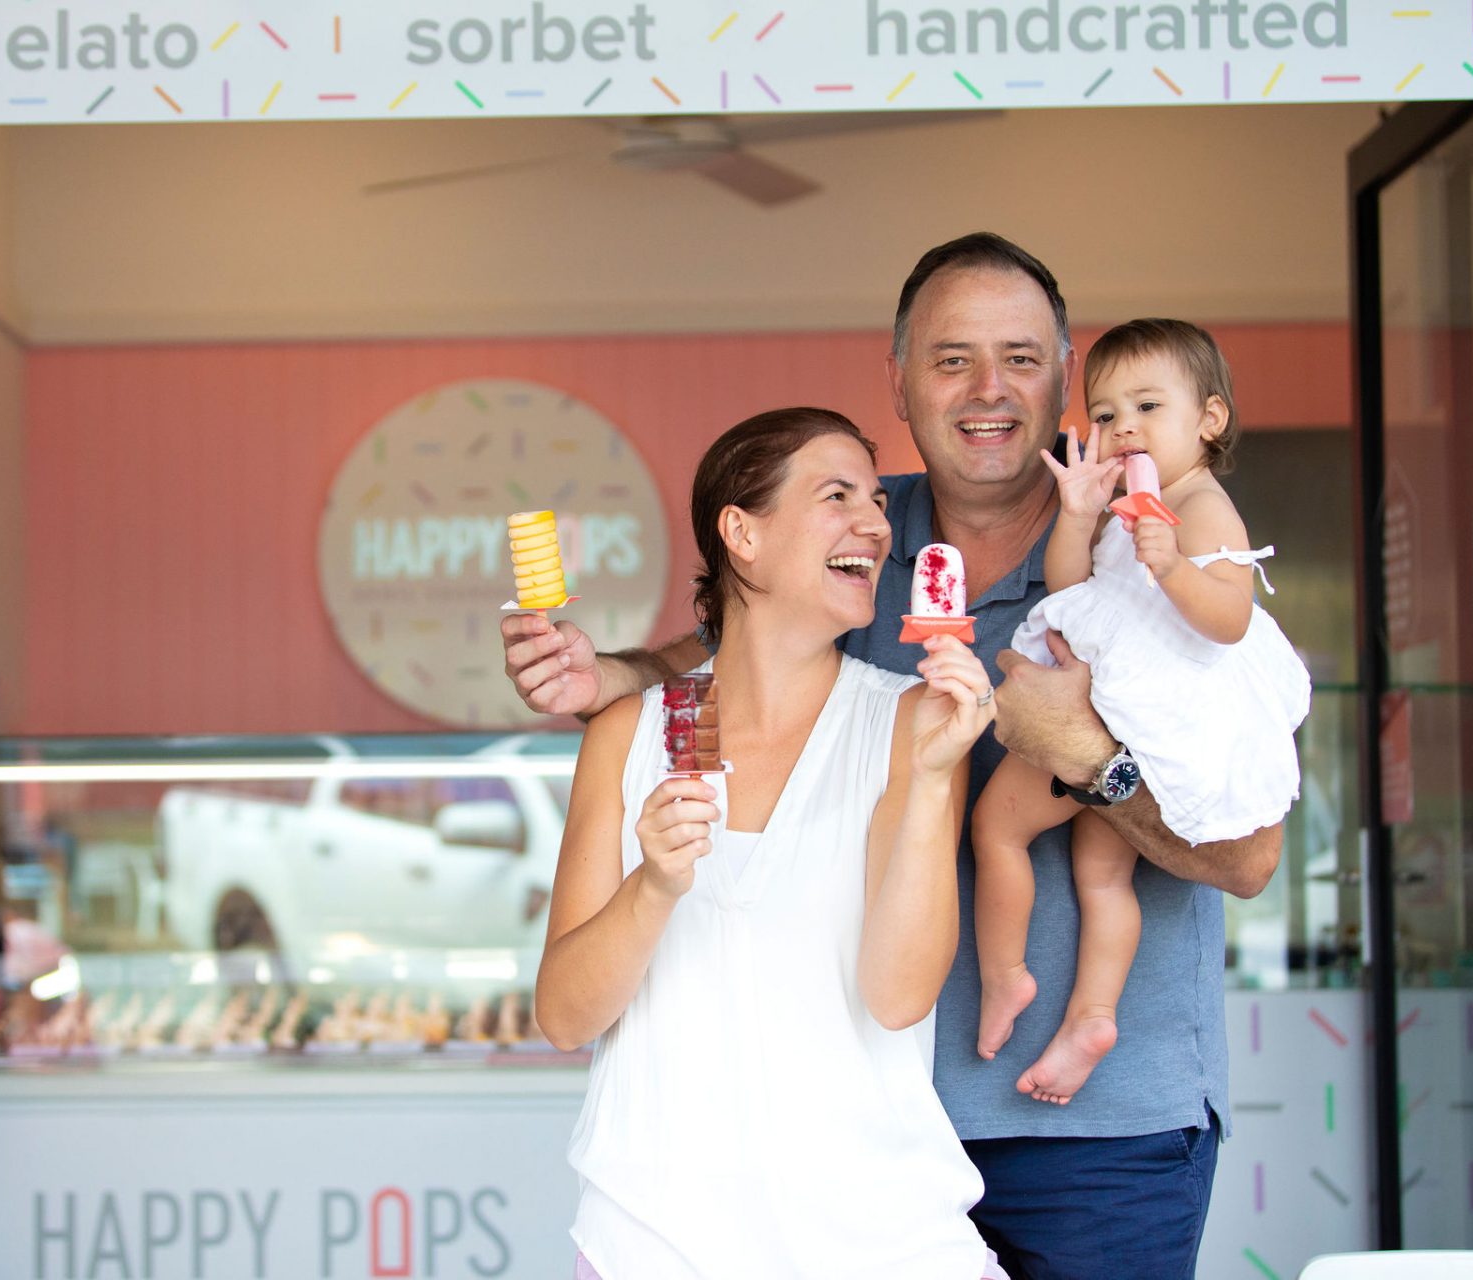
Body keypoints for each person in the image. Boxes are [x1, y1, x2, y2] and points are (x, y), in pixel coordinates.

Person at [503, 233, 1284, 1280]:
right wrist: (611, 674)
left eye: (1020, 356)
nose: (988, 388)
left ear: (1068, 378)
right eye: (952, 358)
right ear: (900, 381)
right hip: (868, 1138)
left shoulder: (1141, 551)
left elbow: (1247, 855)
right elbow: (727, 655)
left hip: (1103, 1130)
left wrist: (1089, 756)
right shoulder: (863, 548)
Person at [537, 406, 1006, 1280]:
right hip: (654, 1248)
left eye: (875, 500)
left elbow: (899, 996)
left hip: (885, 1247)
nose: (875, 522)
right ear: (741, 533)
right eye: (838, 496)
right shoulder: (632, 736)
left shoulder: (912, 724)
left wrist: (940, 775)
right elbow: (564, 1016)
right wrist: (654, 887)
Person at [971, 319, 1311, 1106]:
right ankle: (1089, 1020)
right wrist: (1079, 515)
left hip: (1139, 719)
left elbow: (1227, 619)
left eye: (1148, 406)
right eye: (1106, 412)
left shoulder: (1202, 506)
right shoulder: (1133, 501)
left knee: (996, 827)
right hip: (1122, 705)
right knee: (1101, 873)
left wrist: (1170, 567)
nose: (1123, 428)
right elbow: (1071, 592)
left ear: (1210, 419)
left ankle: (1006, 977)